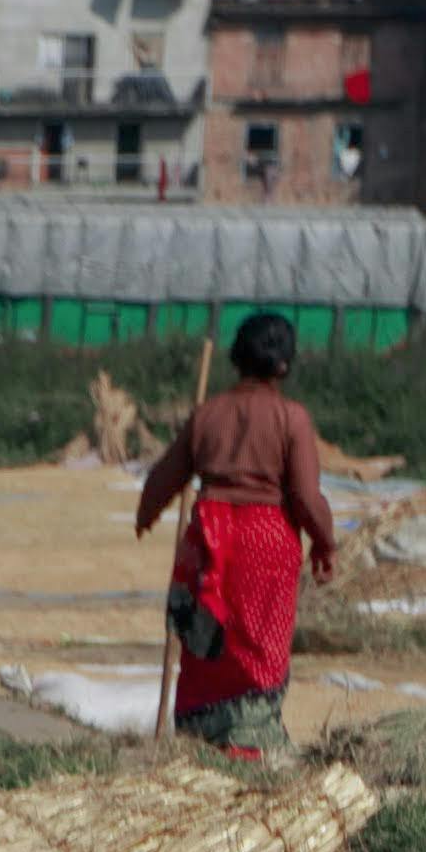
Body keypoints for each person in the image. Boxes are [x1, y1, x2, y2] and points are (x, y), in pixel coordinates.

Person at [135, 311, 344, 758]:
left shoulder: (208, 414)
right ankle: (251, 742)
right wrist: (325, 543)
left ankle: (201, 738)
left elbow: (163, 479)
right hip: (264, 543)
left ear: (236, 357)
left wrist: (146, 514)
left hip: (208, 537)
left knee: (206, 643)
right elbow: (306, 496)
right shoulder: (291, 418)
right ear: (284, 364)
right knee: (257, 648)